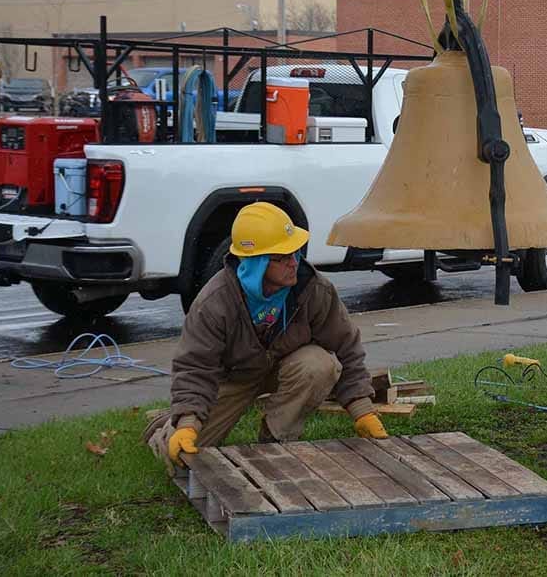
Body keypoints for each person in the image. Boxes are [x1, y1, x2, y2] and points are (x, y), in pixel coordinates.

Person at [144, 202, 387, 472]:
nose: (293, 262)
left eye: (294, 252)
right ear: (256, 263)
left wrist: (362, 410)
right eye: (281, 257)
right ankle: (167, 426)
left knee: (319, 364)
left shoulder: (313, 289)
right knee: (182, 460)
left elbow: (347, 348)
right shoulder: (214, 302)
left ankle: (275, 440)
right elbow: (195, 367)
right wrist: (188, 424)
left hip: (285, 367)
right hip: (232, 378)